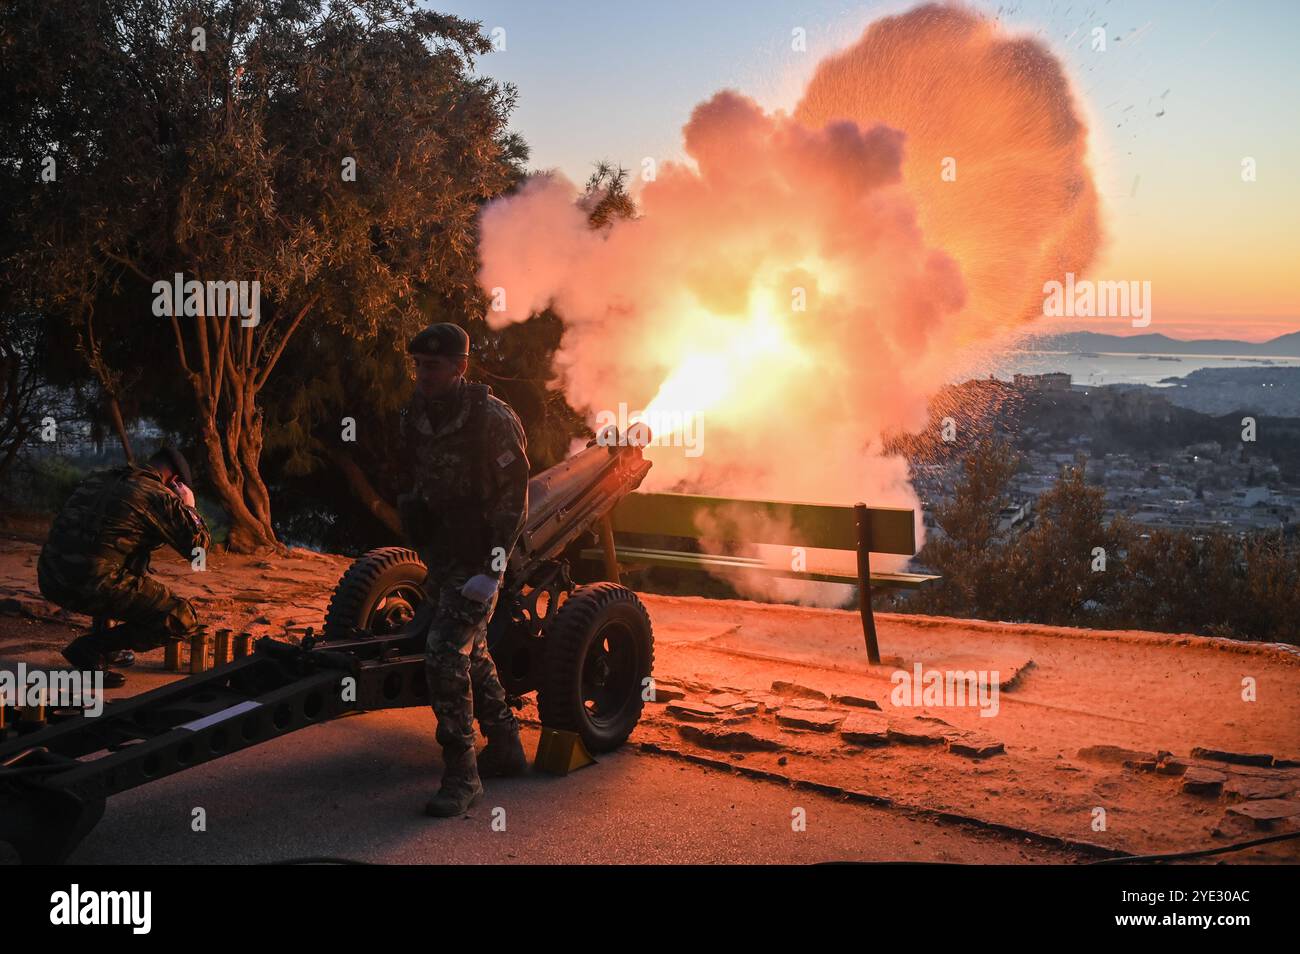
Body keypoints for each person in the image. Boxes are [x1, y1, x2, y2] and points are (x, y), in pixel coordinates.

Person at [399, 322, 531, 817]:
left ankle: (463, 775)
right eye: (418, 365)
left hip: (481, 557)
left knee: (444, 652)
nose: (422, 374)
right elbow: (413, 477)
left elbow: (512, 497)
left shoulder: (491, 418)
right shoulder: (416, 414)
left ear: (460, 367)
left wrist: (492, 571)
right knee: (473, 650)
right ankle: (508, 748)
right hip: (443, 553)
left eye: (432, 366)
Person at [37, 445, 210, 688]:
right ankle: (90, 648)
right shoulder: (158, 494)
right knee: (181, 618)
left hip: (50, 579)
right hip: (89, 584)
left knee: (116, 560)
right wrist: (189, 507)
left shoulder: (98, 479)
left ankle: (105, 649)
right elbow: (198, 552)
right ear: (175, 480)